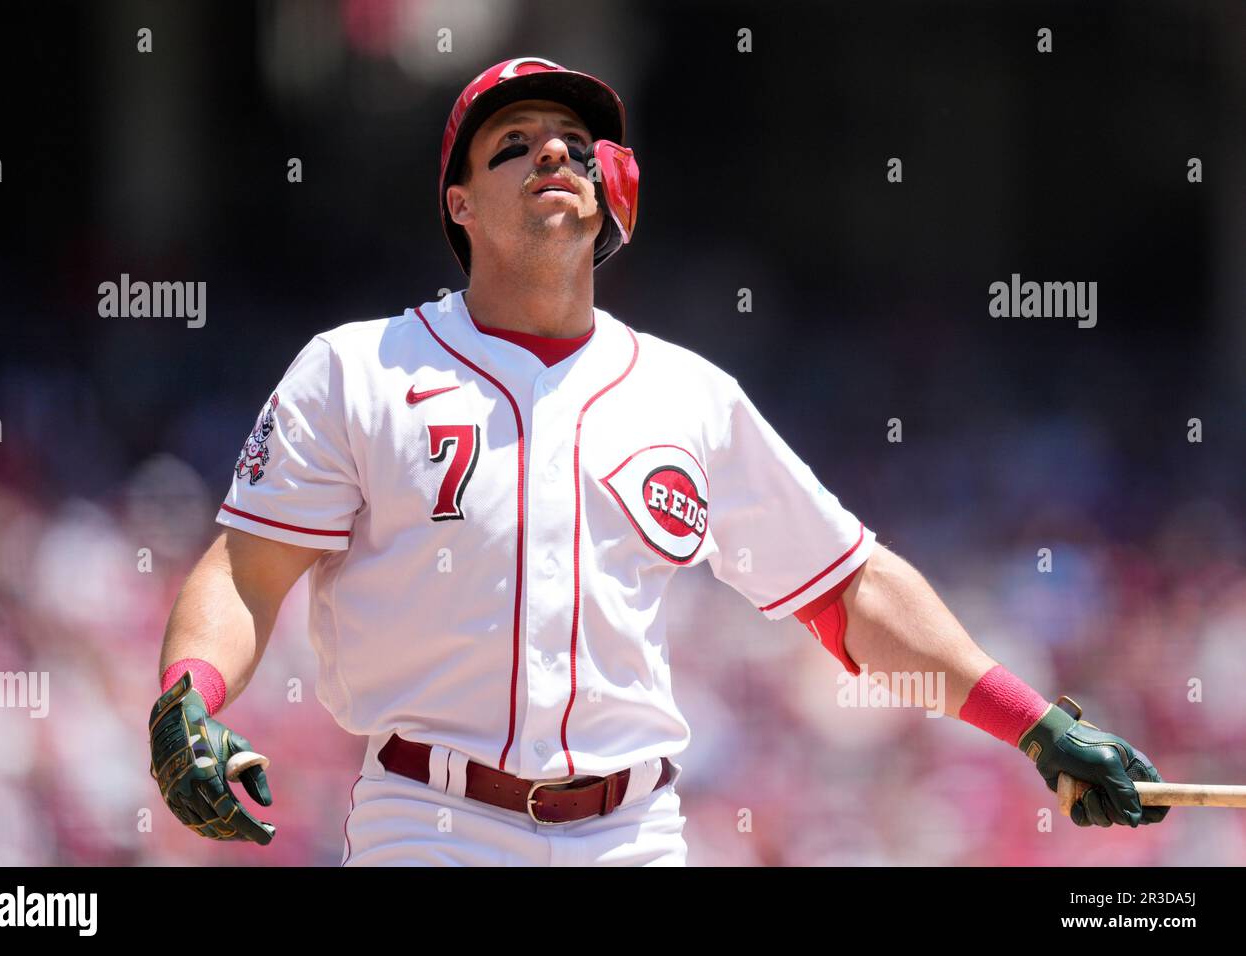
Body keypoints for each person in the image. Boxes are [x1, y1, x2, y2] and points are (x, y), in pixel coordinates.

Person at [148, 57, 1168, 867]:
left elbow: (848, 590)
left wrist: (1033, 725)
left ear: (610, 192)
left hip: (633, 830)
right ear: (457, 205)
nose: (553, 155)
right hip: (431, 820)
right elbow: (248, 569)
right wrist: (188, 693)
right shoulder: (358, 365)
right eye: (514, 145)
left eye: (574, 144)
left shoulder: (689, 394)